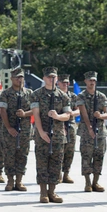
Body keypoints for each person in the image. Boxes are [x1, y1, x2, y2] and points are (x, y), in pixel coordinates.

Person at [30, 67, 72, 204]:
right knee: (42, 162)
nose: (51, 79)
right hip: (43, 134)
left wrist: (58, 116)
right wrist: (41, 132)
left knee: (56, 163)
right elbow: (36, 114)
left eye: (54, 77)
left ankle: (52, 191)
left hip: (58, 134)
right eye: (49, 77)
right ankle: (43, 192)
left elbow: (68, 115)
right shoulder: (36, 94)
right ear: (44, 78)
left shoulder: (63, 96)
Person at [0, 68, 33, 192]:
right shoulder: (6, 93)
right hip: (10, 130)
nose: (19, 79)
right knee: (9, 155)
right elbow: (3, 111)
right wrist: (8, 127)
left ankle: (19, 180)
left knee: (22, 155)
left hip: (24, 130)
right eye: (17, 77)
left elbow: (35, 110)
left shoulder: (29, 93)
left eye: (21, 77)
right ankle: (10, 180)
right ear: (12, 79)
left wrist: (25, 114)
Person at [76, 71, 107, 192]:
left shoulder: (101, 96)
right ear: (85, 81)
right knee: (86, 156)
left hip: (100, 131)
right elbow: (83, 113)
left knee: (99, 156)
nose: (92, 82)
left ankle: (96, 182)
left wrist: (100, 116)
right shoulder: (81, 96)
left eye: (94, 80)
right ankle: (87, 182)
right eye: (90, 80)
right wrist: (90, 128)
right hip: (86, 131)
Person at [57, 73, 80, 184]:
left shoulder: (73, 96)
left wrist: (72, 113)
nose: (65, 84)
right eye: (63, 82)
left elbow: (78, 110)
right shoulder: (55, 95)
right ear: (58, 83)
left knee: (70, 150)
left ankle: (66, 173)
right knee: (59, 150)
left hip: (70, 125)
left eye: (67, 82)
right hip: (58, 125)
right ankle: (58, 173)